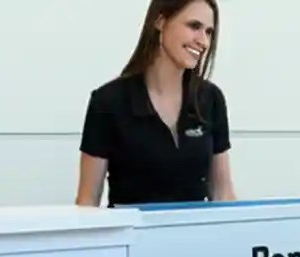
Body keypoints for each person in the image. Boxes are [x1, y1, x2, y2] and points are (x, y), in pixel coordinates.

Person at [75, 0, 236, 207]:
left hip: (196, 237)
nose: (203, 41)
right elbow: (88, 202)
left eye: (209, 32)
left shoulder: (211, 99)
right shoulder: (109, 102)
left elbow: (223, 194)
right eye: (194, 26)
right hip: (134, 237)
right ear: (160, 21)